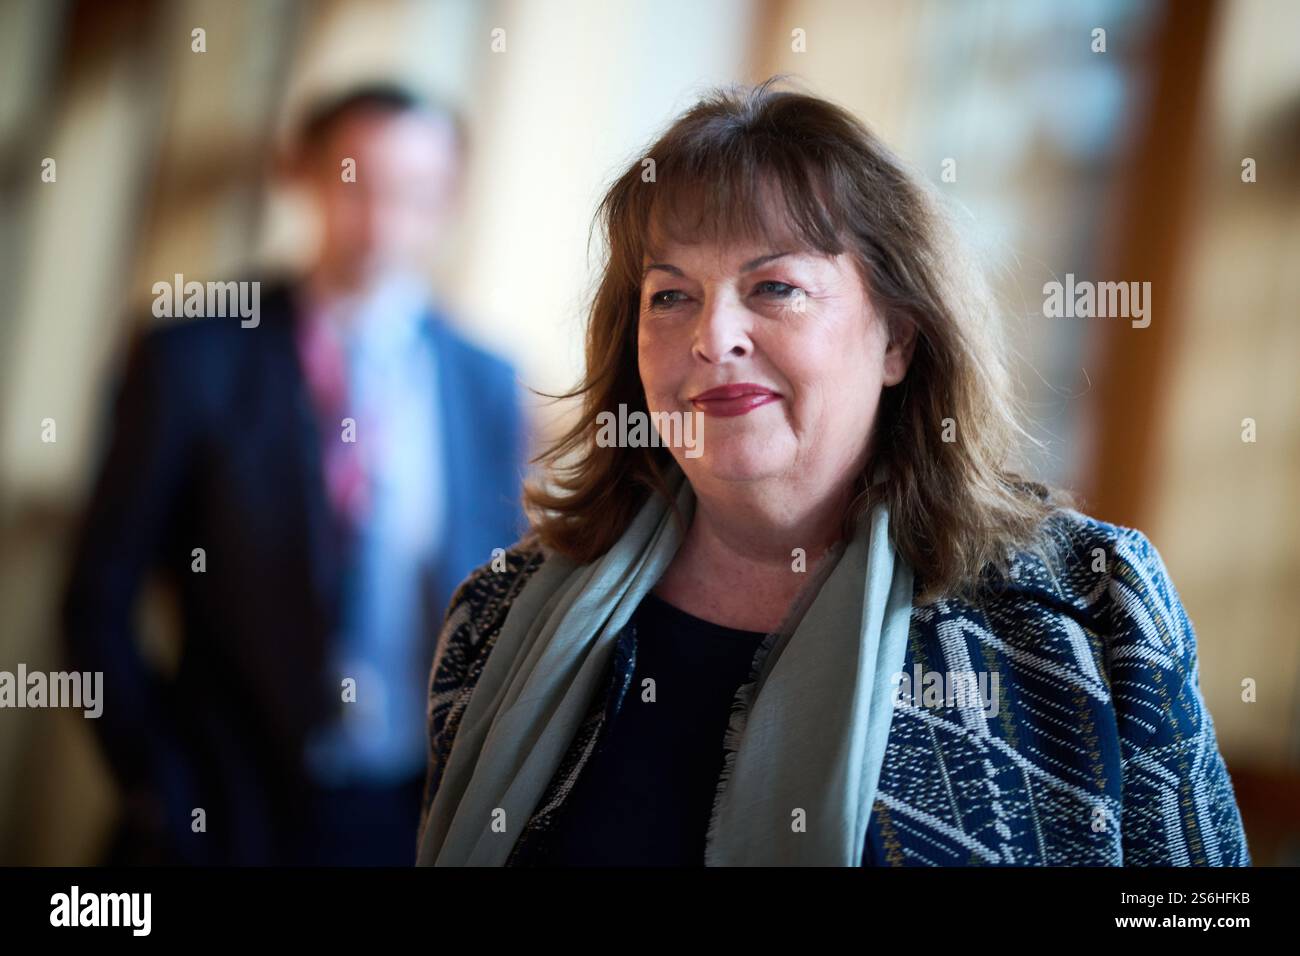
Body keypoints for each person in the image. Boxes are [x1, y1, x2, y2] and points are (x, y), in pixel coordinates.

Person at [414, 78, 1251, 867]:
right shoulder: (497, 616)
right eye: (670, 296)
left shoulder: (1090, 613)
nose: (714, 337)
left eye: (774, 286)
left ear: (897, 339)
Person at [62, 84, 529, 865]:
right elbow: (97, 600)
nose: (382, 221)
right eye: (357, 184)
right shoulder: (195, 356)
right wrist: (157, 781)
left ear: (451, 200)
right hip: (222, 805)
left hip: (407, 817)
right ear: (302, 176)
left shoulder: (485, 384)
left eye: (415, 192)